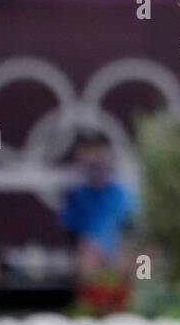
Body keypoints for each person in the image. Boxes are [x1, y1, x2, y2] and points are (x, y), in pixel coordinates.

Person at [57, 131, 135, 310]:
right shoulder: (74, 196)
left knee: (129, 264)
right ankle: (90, 311)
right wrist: (87, 250)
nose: (93, 160)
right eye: (87, 155)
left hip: (118, 254)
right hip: (88, 256)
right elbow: (72, 237)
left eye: (97, 154)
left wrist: (121, 253)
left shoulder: (122, 195)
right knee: (86, 263)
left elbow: (131, 233)